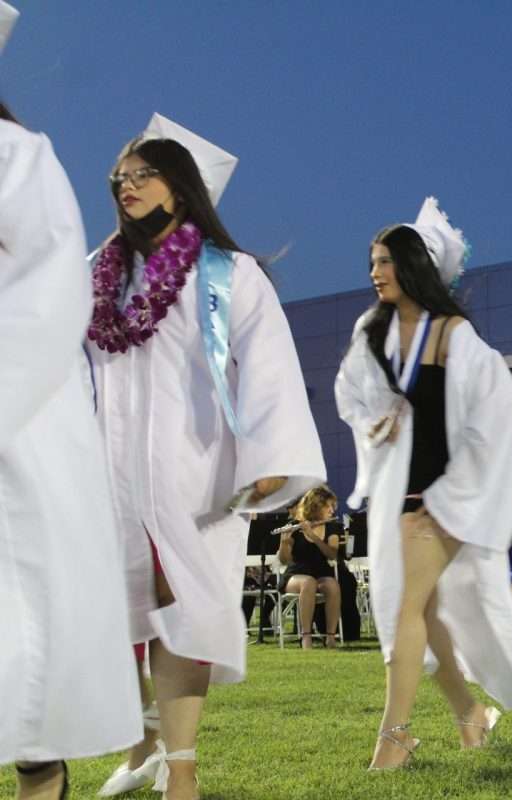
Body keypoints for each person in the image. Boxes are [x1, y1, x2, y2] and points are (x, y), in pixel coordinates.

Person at [88, 115, 325, 799]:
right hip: (110, 470)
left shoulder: (227, 274)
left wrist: (272, 457)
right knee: (115, 611)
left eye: (142, 174)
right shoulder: (103, 274)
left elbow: (270, 369)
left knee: (181, 604)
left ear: (181, 187)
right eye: (118, 177)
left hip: (195, 469)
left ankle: (180, 770)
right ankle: (145, 738)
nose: (125, 185)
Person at [335, 197, 512, 771]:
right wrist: (372, 419)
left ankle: (394, 737)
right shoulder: (372, 329)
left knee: (403, 605)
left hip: (444, 498)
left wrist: (456, 495)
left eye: (385, 262)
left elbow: (492, 424)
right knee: (421, 615)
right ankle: (469, 714)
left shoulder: (456, 336)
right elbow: (350, 393)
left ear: (414, 265)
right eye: (372, 263)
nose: (375, 273)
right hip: (396, 494)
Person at [0, 43, 143, 798]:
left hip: (17, 424)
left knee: (27, 637)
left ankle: (42, 776)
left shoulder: (18, 157)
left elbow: (49, 296)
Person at [277, 486, 343, 649]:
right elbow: (284, 560)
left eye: (332, 506)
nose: (331, 510)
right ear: (315, 506)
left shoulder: (332, 527)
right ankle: (306, 636)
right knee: (308, 583)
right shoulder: (294, 526)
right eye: (328, 506)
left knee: (333, 585)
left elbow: (332, 555)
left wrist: (313, 536)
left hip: (321, 572)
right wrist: (284, 544)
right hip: (296, 575)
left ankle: (331, 636)